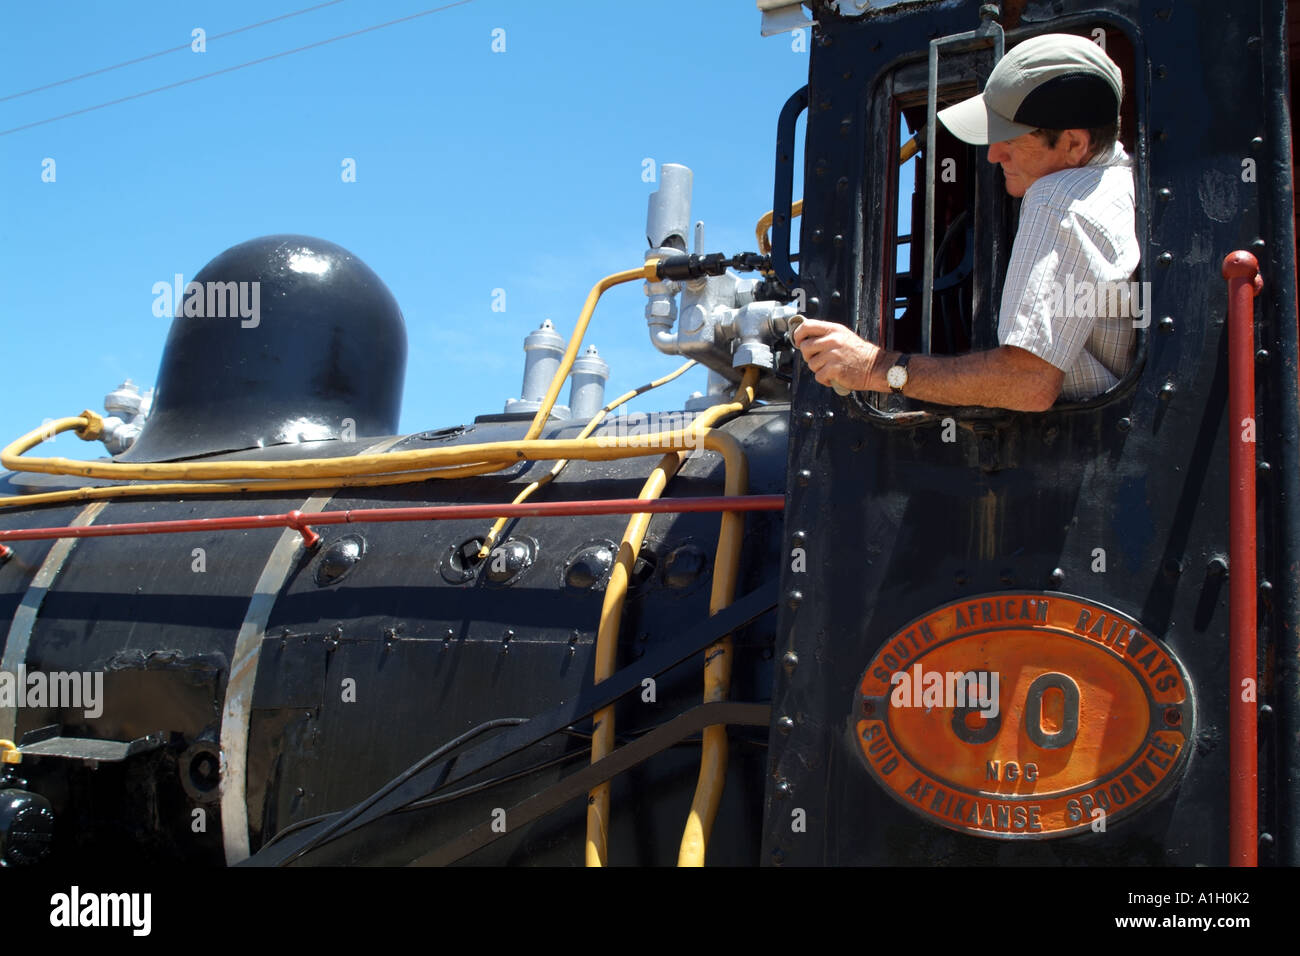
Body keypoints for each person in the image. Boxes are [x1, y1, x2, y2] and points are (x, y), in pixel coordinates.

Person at [793, 33, 1139, 411]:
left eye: (1011, 138)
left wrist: (875, 369)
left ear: (1074, 144)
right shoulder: (1123, 185)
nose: (993, 154)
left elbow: (1027, 381)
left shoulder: (1058, 199)